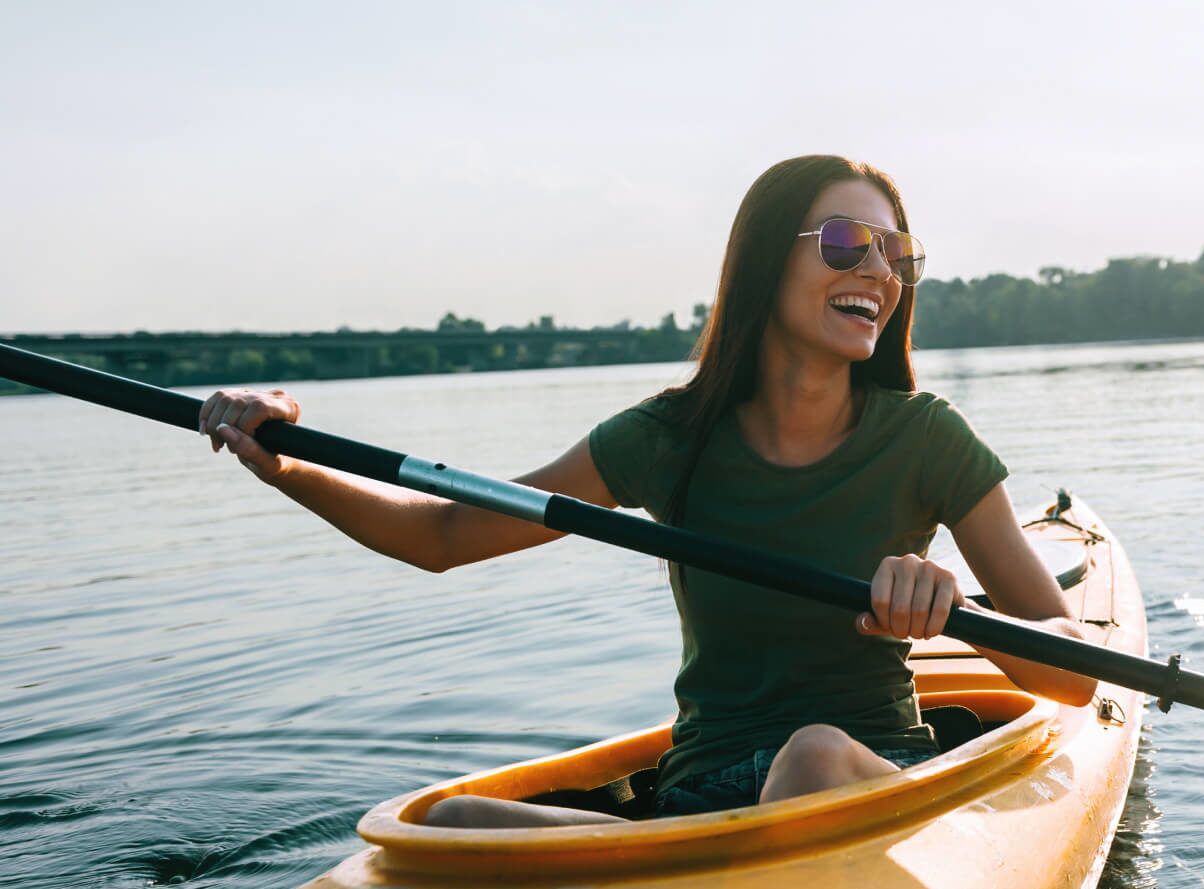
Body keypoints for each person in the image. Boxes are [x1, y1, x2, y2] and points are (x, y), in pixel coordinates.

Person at [196, 155, 1097, 827]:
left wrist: (948, 610)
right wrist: (286, 461)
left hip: (861, 773)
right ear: (761, 262)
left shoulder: (926, 438)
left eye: (897, 253)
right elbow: (441, 534)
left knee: (812, 754)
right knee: (446, 819)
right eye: (843, 242)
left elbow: (1067, 673)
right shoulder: (667, 438)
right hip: (699, 796)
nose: (878, 271)